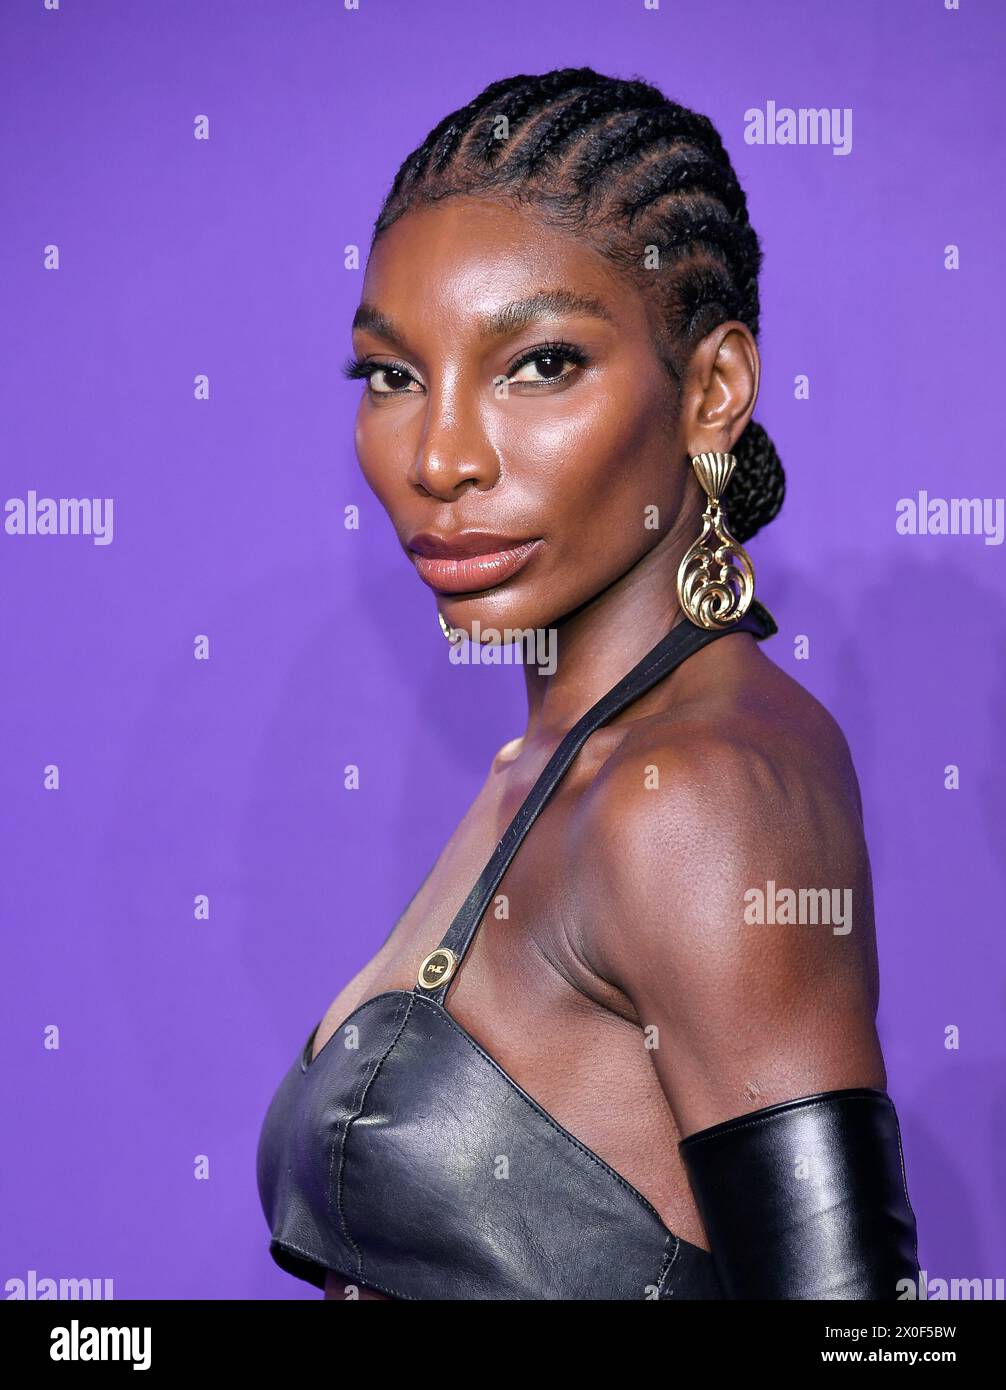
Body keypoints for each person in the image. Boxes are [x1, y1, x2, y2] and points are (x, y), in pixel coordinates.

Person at [256, 66, 920, 1301]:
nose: (439, 456)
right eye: (391, 376)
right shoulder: (552, 763)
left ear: (712, 391)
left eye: (540, 362)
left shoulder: (696, 793)